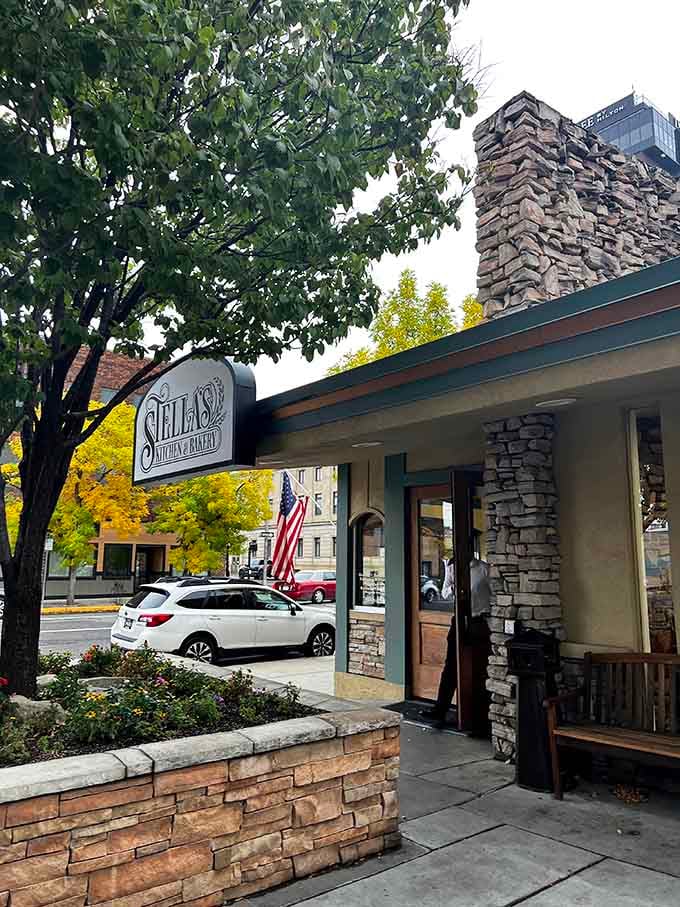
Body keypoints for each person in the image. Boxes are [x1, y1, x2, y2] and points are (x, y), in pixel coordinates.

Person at [421, 548, 491, 728]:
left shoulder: (484, 569)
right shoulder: (452, 569)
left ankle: (477, 715)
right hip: (458, 621)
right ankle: (440, 710)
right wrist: (454, 585)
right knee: (451, 666)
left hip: (478, 622)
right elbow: (445, 593)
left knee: (478, 668)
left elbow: (495, 596)